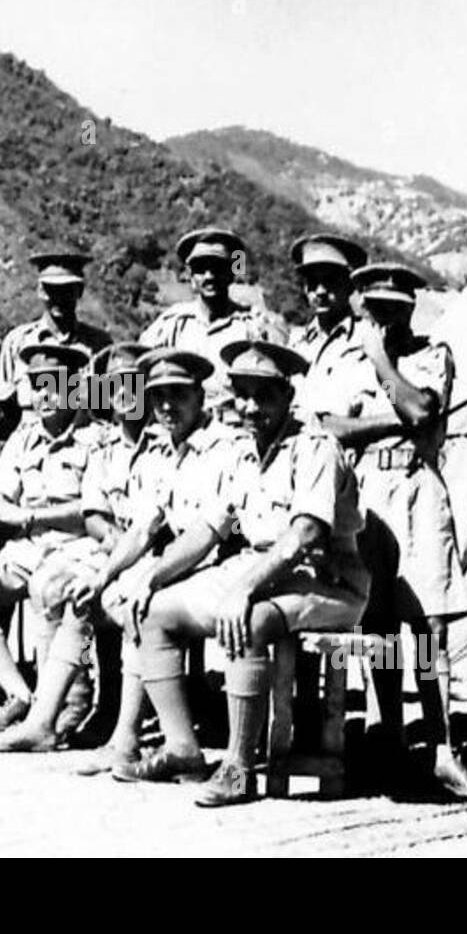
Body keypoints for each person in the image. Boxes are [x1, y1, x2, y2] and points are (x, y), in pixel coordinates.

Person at [121, 341, 370, 803]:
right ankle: (183, 750)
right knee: (154, 612)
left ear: (288, 398)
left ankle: (238, 768)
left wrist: (242, 588)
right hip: (260, 569)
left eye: (265, 395)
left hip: (327, 580)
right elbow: (211, 528)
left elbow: (306, 535)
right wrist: (152, 575)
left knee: (250, 618)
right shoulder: (244, 453)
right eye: (242, 395)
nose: (251, 407)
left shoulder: (314, 447)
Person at [318, 263, 467, 799]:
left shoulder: (431, 356)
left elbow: (421, 406)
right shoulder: (347, 364)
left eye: (395, 308)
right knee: (379, 623)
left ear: (410, 309)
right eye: (375, 309)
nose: (385, 319)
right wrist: (399, 419)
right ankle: (390, 740)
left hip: (418, 490)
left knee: (428, 628)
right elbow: (332, 426)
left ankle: (442, 749)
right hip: (371, 495)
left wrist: (382, 364)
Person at [42, 347, 249, 776]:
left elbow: (211, 533)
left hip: (227, 562)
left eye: (178, 394)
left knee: (142, 603)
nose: (167, 406)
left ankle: (127, 740)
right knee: (89, 595)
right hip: (180, 562)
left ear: (201, 397)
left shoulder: (226, 448)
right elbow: (144, 526)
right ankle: (48, 718)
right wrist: (102, 575)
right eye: (158, 397)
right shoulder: (162, 449)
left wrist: (149, 577)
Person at [0, 342, 149, 753]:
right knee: (53, 586)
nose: (123, 395)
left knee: (69, 587)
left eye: (133, 386)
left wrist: (114, 550)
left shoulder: (142, 440)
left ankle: (93, 713)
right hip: (106, 548)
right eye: (114, 387)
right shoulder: (110, 445)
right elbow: (95, 510)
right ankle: (48, 710)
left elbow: (160, 521)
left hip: (140, 557)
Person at [0, 344, 106, 732]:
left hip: (77, 546)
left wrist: (28, 515)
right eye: (39, 386)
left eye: (57, 385)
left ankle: (72, 700)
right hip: (28, 547)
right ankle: (21, 695)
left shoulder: (98, 438)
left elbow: (93, 509)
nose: (47, 395)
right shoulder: (22, 438)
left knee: (49, 588)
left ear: (76, 387)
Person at [139, 227, 286, 422]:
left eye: (217, 267)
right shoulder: (170, 325)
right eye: (200, 269)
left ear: (231, 271)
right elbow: (134, 371)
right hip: (183, 430)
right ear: (190, 275)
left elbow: (279, 387)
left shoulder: (253, 326)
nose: (209, 276)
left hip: (236, 432)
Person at [0, 252, 114, 431]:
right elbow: (7, 403)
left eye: (67, 291)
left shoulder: (100, 344)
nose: (59, 298)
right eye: (51, 290)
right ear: (40, 291)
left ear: (79, 291)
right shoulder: (17, 342)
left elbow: (112, 405)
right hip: (31, 443)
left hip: (83, 446)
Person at [285, 233, 370, 417]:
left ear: (350, 285)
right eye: (313, 283)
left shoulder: (370, 338)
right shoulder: (295, 343)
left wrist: (395, 410)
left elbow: (390, 390)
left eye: (331, 281)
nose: (321, 291)